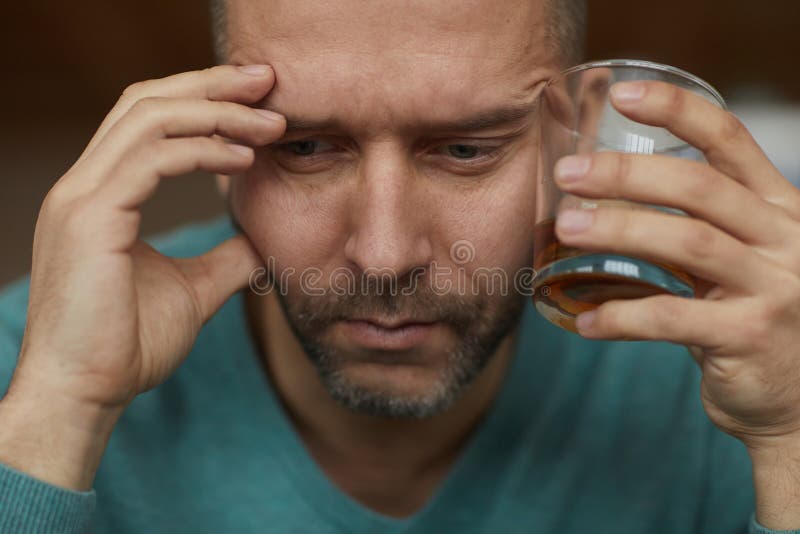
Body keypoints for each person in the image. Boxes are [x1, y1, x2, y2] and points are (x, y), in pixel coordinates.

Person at [1, 0, 800, 532]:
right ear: (219, 149)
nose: (384, 256)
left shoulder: (735, 354)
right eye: (306, 149)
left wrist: (791, 436)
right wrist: (60, 410)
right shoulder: (29, 369)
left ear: (572, 141)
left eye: (464, 150)